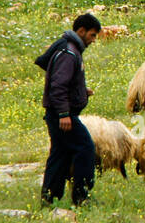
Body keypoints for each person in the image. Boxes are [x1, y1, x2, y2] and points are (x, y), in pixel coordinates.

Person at [35, 13, 102, 207]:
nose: (93, 40)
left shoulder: (69, 49)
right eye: (92, 35)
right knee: (85, 148)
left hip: (57, 113)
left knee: (60, 153)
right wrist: (64, 114)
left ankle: (50, 197)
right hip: (62, 115)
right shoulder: (69, 53)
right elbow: (58, 86)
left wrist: (81, 91)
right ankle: (82, 196)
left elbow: (64, 82)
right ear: (81, 31)